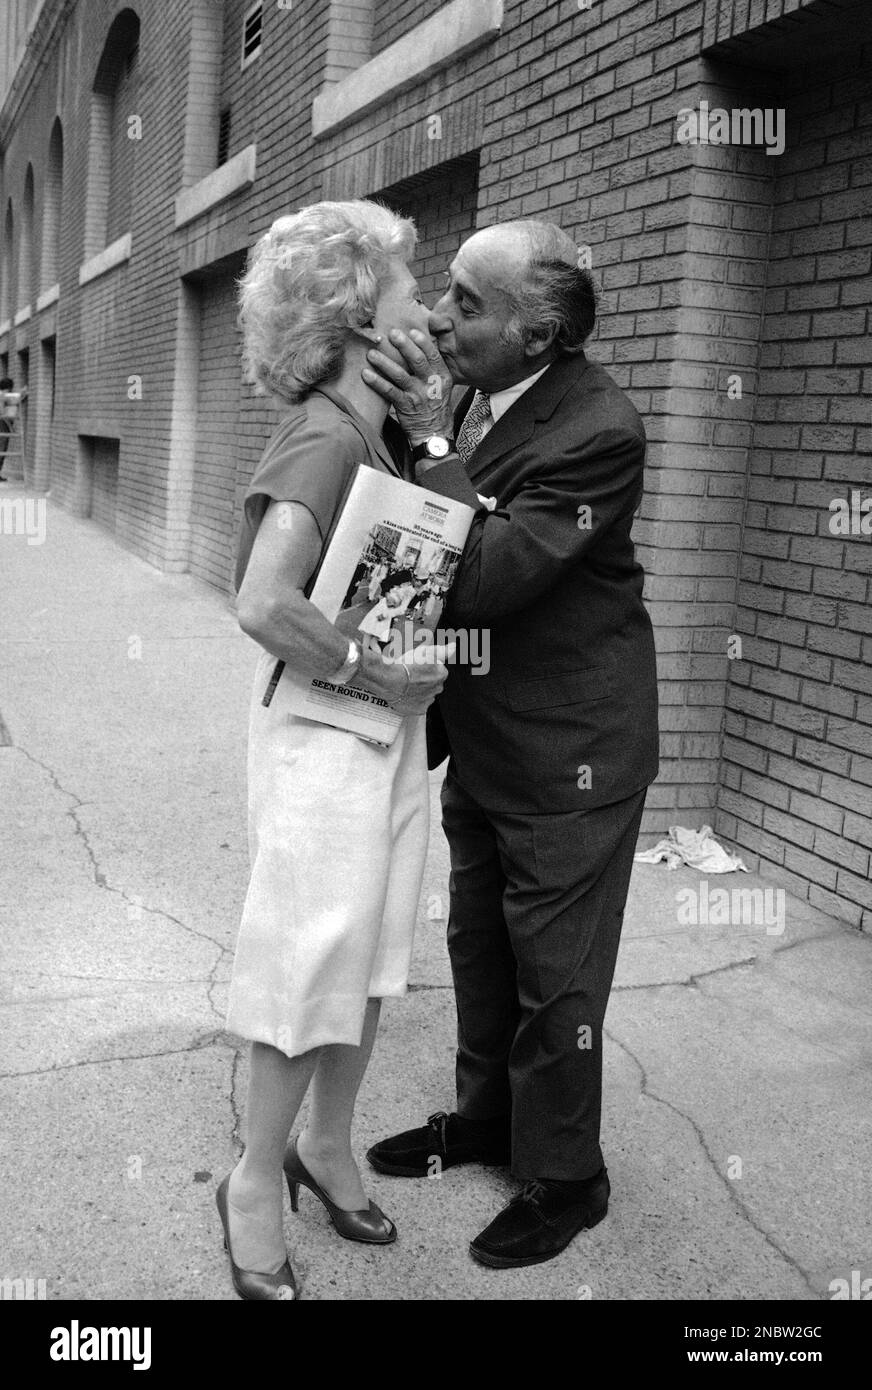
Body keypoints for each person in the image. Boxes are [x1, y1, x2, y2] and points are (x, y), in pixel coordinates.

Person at [362, 219, 660, 1269]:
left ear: (537, 335)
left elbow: (480, 572)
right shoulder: (479, 398)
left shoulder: (599, 429)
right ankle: (486, 1122)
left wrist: (432, 444)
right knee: (480, 946)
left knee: (557, 975)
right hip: (486, 734)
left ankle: (567, 1176)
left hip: (569, 751)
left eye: (466, 303)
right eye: (442, 292)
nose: (441, 317)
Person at [220, 201, 452, 1300]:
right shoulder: (324, 432)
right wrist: (374, 668)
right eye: (412, 289)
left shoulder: (381, 428)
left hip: (375, 730)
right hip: (325, 735)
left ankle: (326, 1146)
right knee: (302, 964)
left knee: (365, 963)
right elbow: (262, 601)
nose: (431, 306)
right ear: (362, 314)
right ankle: (253, 1181)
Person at [0, 377, 17, 481]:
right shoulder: (1, 396)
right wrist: (10, 427)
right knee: (1, 448)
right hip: (2, 425)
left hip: (3, 424)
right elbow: (1, 414)